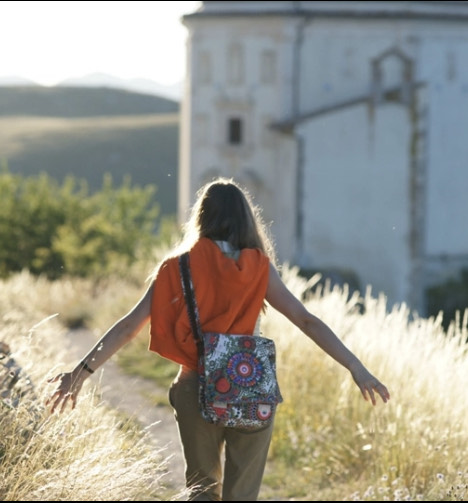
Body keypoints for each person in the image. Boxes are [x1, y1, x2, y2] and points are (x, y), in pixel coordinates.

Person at [47, 177, 390, 501]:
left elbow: (127, 327)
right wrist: (356, 367)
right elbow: (305, 320)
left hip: (194, 386)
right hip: (251, 387)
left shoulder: (177, 267)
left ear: (201, 216)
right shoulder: (259, 267)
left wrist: (79, 375)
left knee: (202, 491)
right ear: (245, 220)